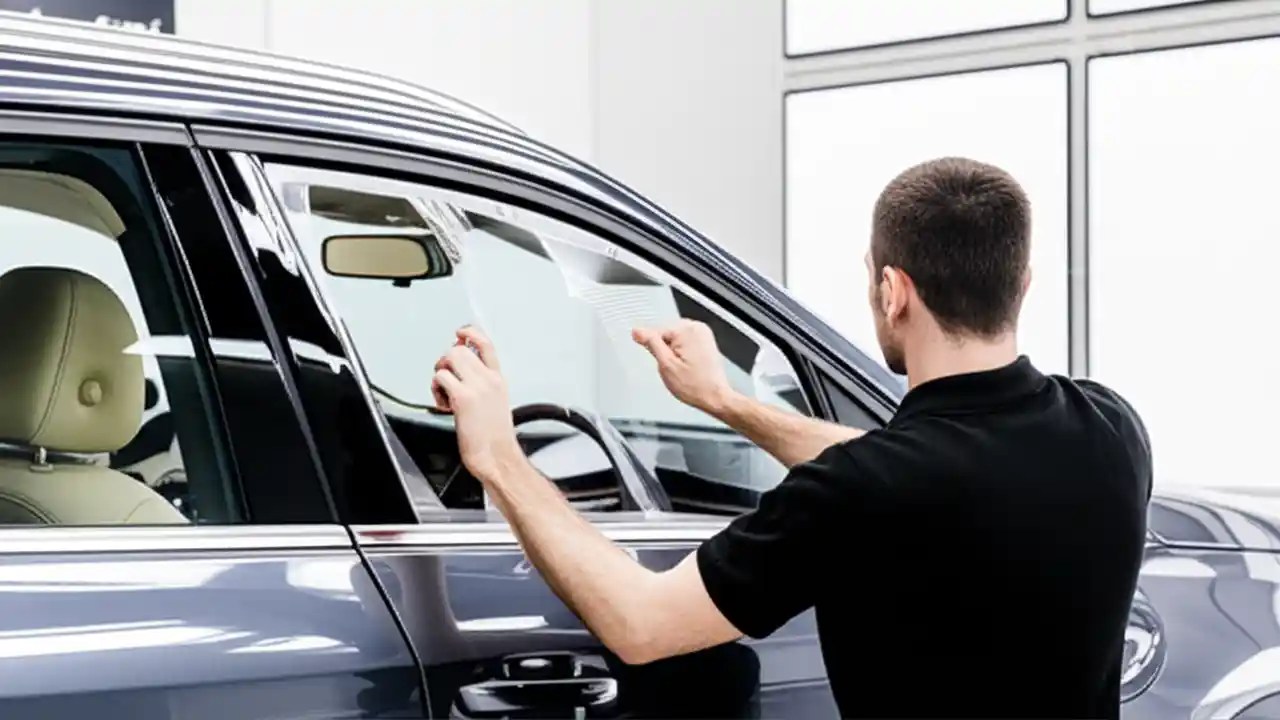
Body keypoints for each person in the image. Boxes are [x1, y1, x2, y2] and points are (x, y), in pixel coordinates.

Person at [430, 157, 1152, 719]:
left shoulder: (861, 493)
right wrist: (728, 403)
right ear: (1021, 283)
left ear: (892, 291)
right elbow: (930, 474)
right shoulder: (1114, 430)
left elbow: (639, 623)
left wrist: (499, 457)